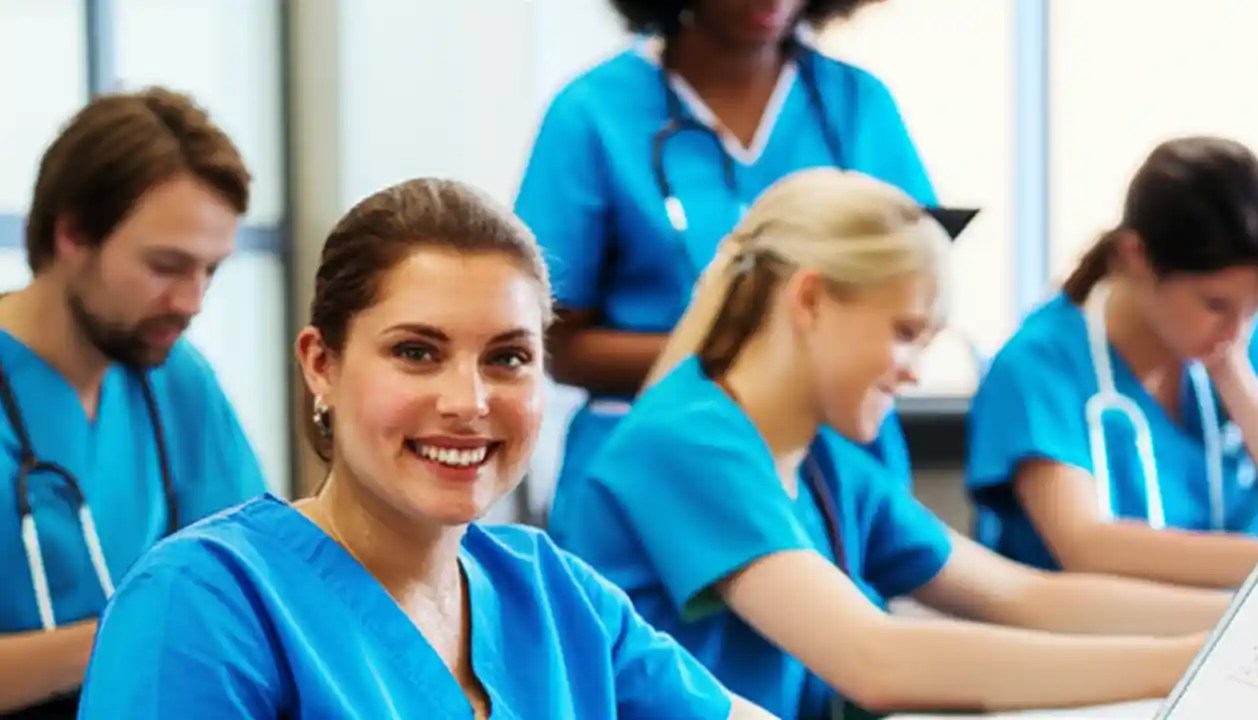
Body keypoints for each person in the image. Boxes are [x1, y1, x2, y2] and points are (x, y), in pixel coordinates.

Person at [76, 178, 776, 720]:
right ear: (322, 363)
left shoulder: (558, 598)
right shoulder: (205, 602)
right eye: (416, 352)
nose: (469, 402)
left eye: (508, 358)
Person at [552, 168, 1225, 719]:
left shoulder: (819, 461)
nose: (913, 370)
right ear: (810, 300)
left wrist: (1241, 620)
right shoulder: (684, 442)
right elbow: (874, 659)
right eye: (906, 332)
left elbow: (1024, 597)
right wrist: (1190, 659)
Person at [515, 0, 931, 534]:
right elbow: (555, 341)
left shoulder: (857, 106)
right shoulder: (593, 112)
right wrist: (757, 359)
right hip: (661, 464)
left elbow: (908, 298)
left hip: (837, 466)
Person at [0, 88, 268, 718]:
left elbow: (252, 579)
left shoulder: (176, 379)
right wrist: (135, 634)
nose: (191, 302)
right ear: (71, 234)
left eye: (211, 270)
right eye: (166, 266)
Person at [966, 136, 1258, 589]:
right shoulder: (1039, 365)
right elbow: (1086, 546)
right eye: (1216, 303)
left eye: (1256, 307)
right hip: (1090, 646)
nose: (1238, 330)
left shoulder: (1247, 348)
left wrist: (1236, 380)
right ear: (1137, 256)